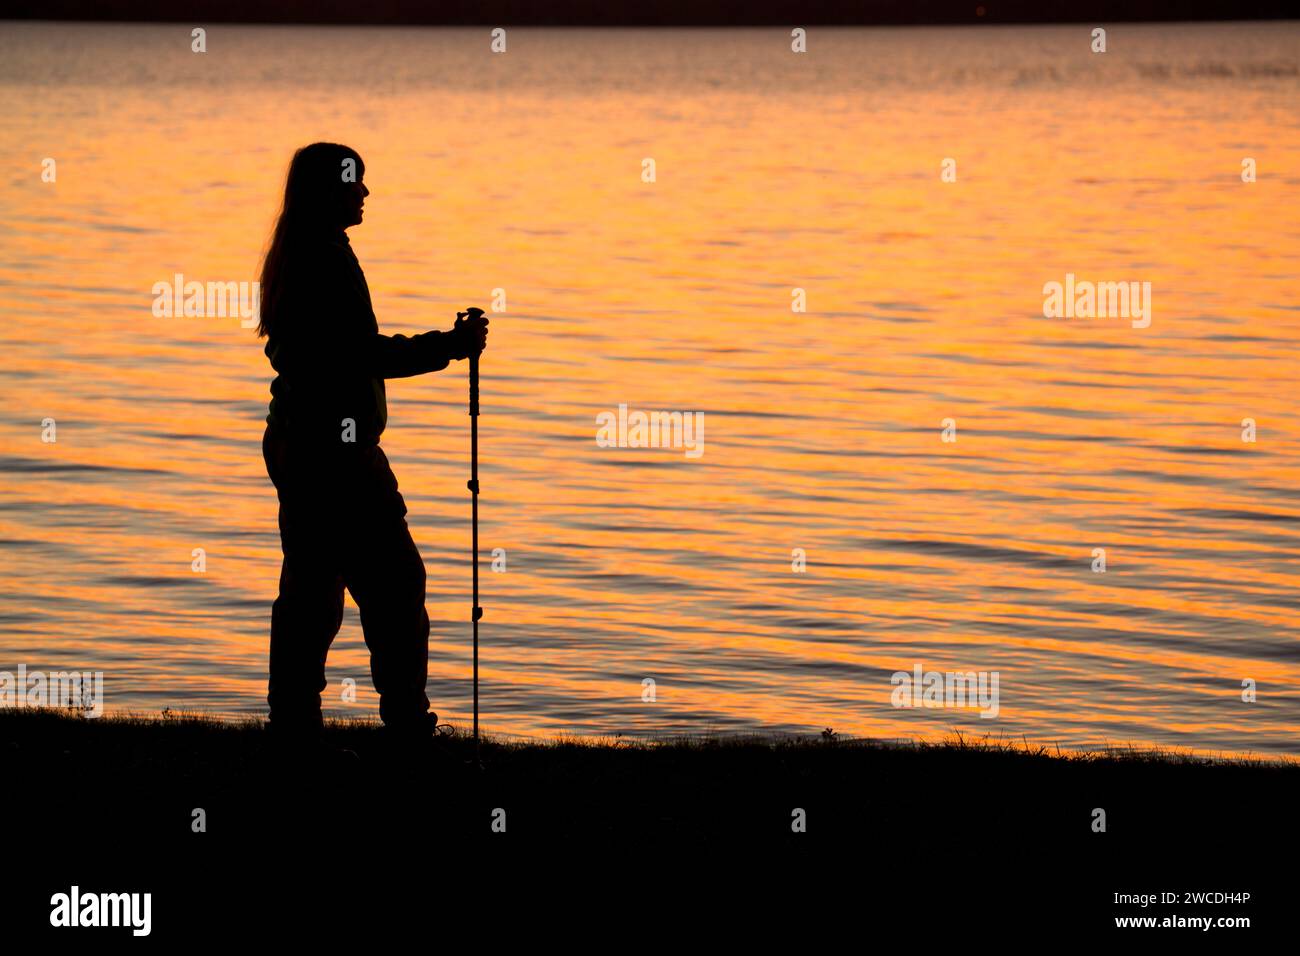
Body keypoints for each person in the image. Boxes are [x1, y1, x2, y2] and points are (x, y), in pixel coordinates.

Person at [255, 142, 488, 756]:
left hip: (305, 442)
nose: (365, 193)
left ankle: (295, 724)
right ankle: (405, 723)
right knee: (392, 583)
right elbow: (361, 354)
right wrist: (449, 346)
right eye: (354, 183)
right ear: (329, 190)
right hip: (333, 453)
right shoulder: (321, 258)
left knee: (314, 586)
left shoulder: (310, 249)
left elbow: (349, 351)